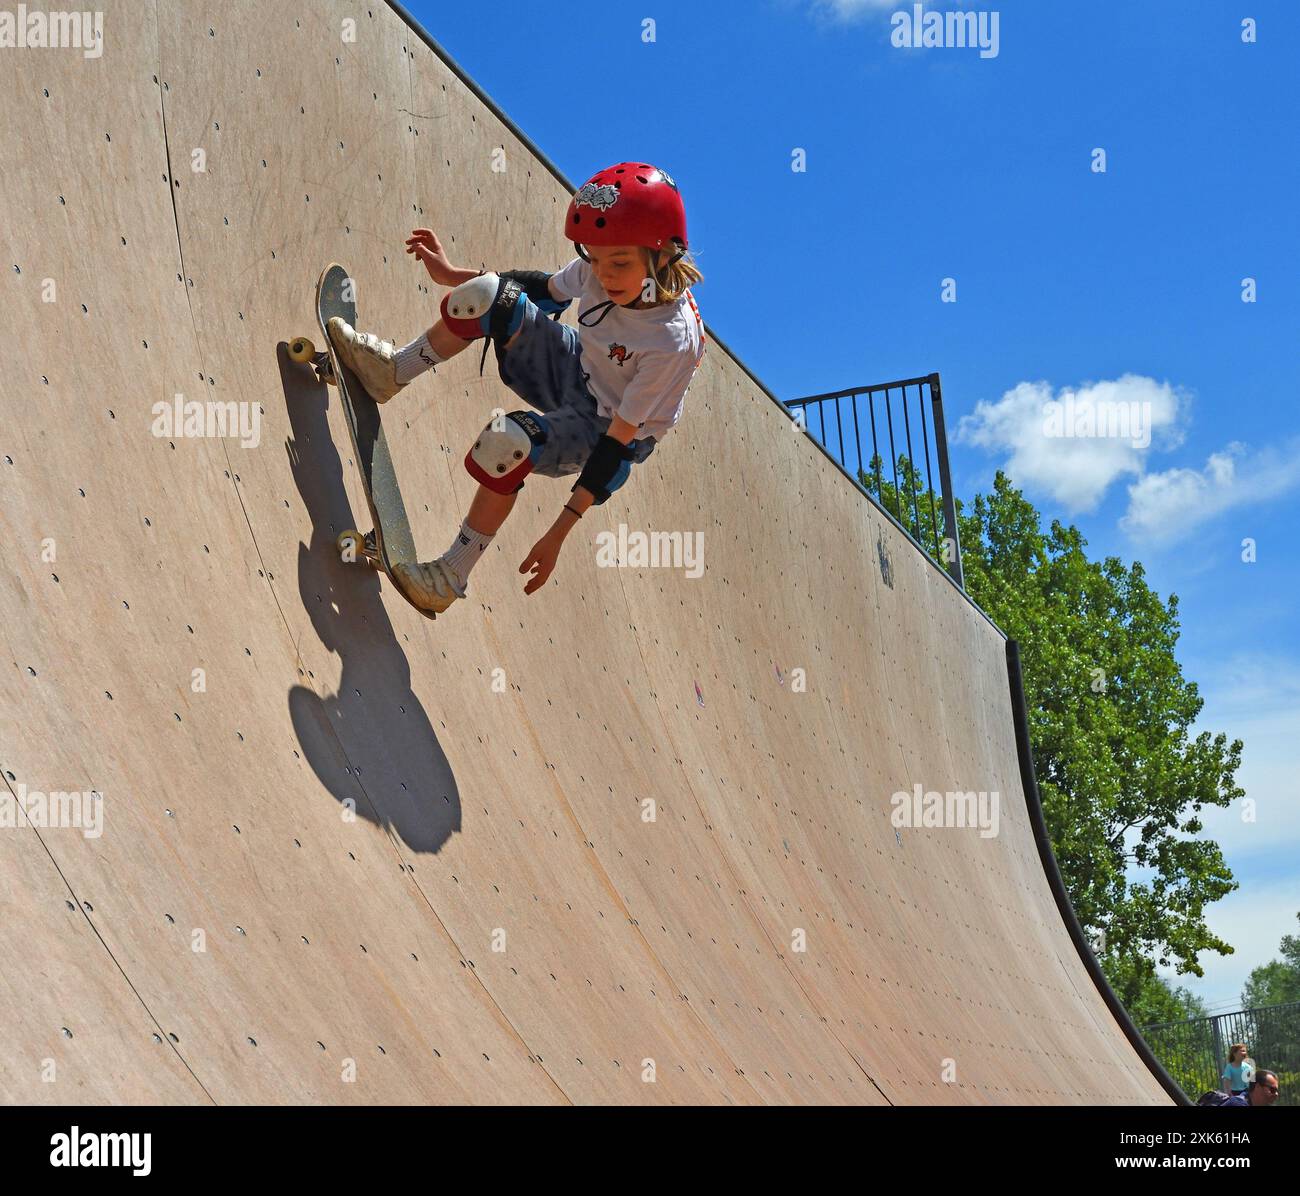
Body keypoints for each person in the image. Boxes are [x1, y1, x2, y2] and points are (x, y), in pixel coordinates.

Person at [326, 162, 706, 614]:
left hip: (605, 427)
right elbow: (537, 290)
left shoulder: (671, 341)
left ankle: (450, 575)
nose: (604, 277)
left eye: (619, 264)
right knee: (487, 293)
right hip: (576, 367)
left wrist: (560, 531)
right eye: (596, 260)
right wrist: (453, 276)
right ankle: (391, 373)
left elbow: (616, 449)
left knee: (507, 441)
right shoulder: (603, 266)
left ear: (664, 256)